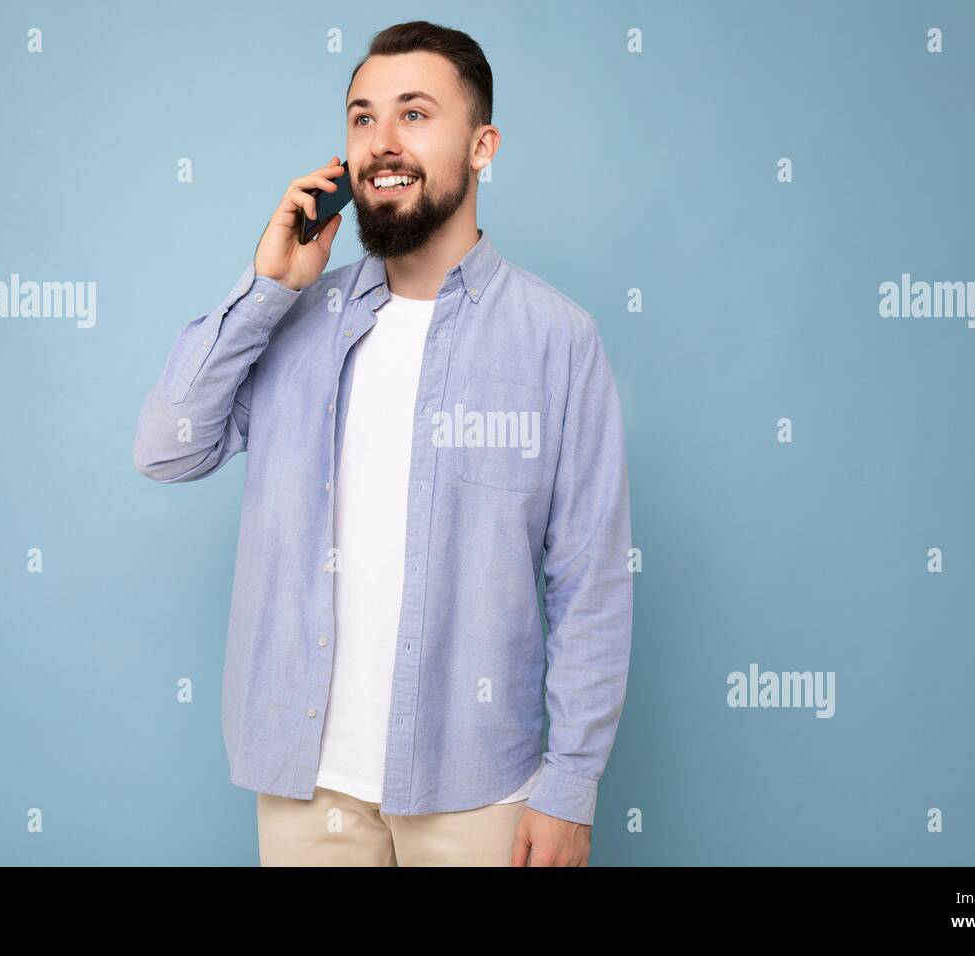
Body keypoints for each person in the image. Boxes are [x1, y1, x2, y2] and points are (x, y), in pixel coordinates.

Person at [133, 20, 633, 866]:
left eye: (413, 114)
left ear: (483, 145)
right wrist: (264, 288)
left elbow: (590, 581)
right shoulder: (292, 323)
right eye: (362, 119)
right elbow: (165, 448)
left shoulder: (556, 339)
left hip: (479, 789)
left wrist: (571, 785)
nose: (382, 143)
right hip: (305, 787)